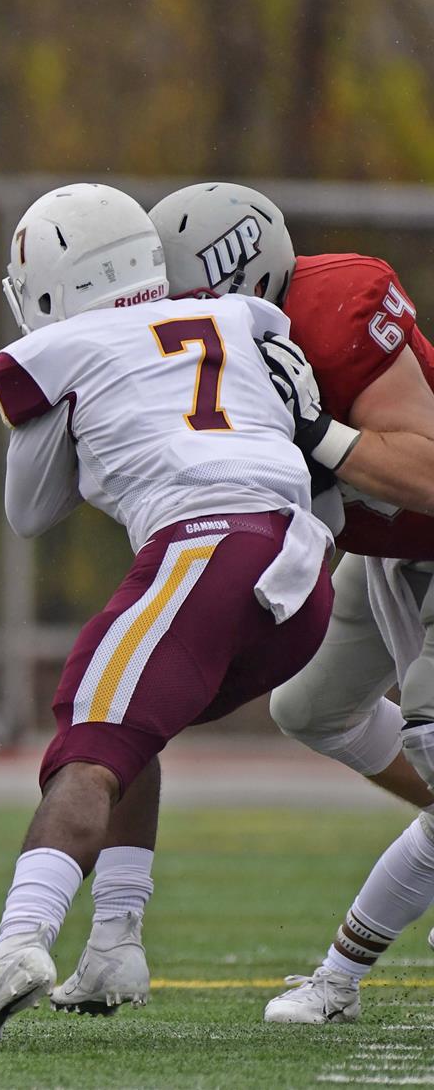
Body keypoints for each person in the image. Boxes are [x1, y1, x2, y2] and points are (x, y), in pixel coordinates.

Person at [0, 183, 335, 1050]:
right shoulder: (238, 317)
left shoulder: (66, 345)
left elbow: (29, 512)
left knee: (90, 739)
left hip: (207, 547)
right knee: (128, 731)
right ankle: (113, 943)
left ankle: (20, 943)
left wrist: (63, 417)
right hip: (302, 575)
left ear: (47, 286)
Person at [56, 182, 434, 1025]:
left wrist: (322, 435)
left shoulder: (340, 309)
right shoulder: (210, 347)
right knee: (311, 708)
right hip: (383, 553)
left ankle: (339, 975)